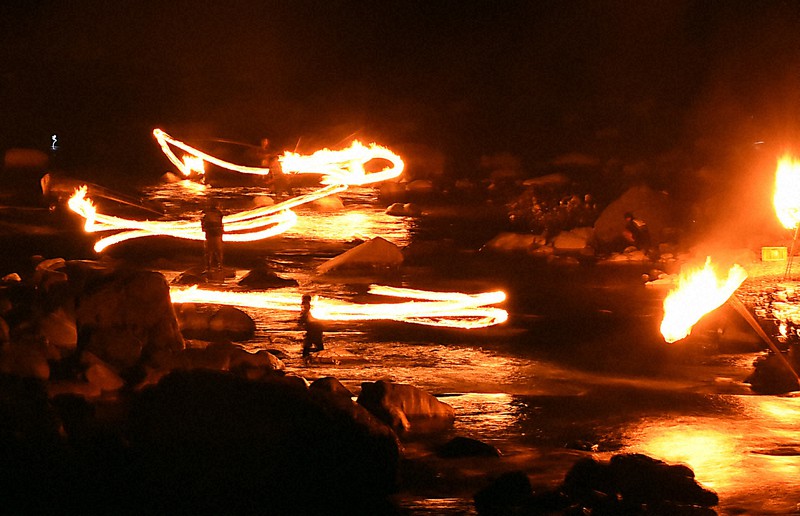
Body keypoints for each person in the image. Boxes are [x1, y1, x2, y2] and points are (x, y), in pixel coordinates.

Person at [201, 202, 224, 271]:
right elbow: (220, 223)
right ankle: (220, 266)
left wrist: (204, 228)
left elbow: (203, 223)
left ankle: (209, 267)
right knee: (218, 250)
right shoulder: (219, 213)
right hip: (217, 233)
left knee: (209, 251)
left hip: (210, 233)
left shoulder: (205, 213)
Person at [299, 294, 324, 358]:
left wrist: (301, 323)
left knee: (308, 345)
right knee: (317, 344)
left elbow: (305, 316)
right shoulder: (307, 307)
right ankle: (319, 356)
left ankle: (307, 357)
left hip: (312, 328)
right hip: (314, 327)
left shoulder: (305, 307)